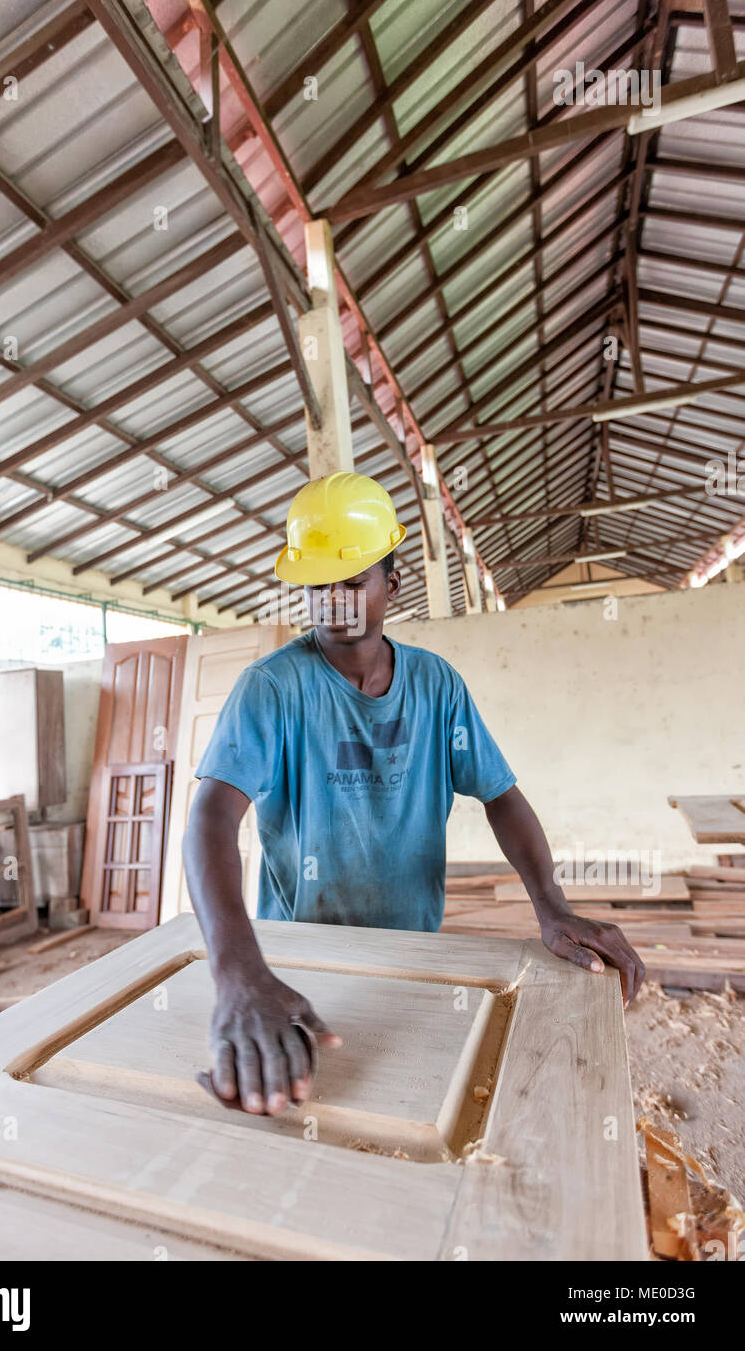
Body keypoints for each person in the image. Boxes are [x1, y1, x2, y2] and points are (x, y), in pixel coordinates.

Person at [183, 470, 645, 1117]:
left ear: (391, 587)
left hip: (418, 950)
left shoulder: (436, 686)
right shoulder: (273, 690)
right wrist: (237, 969)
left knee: (413, 1107)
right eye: (318, 586)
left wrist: (551, 904)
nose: (335, 602)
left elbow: (501, 795)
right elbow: (210, 818)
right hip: (297, 960)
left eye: (353, 581)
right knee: (307, 1119)